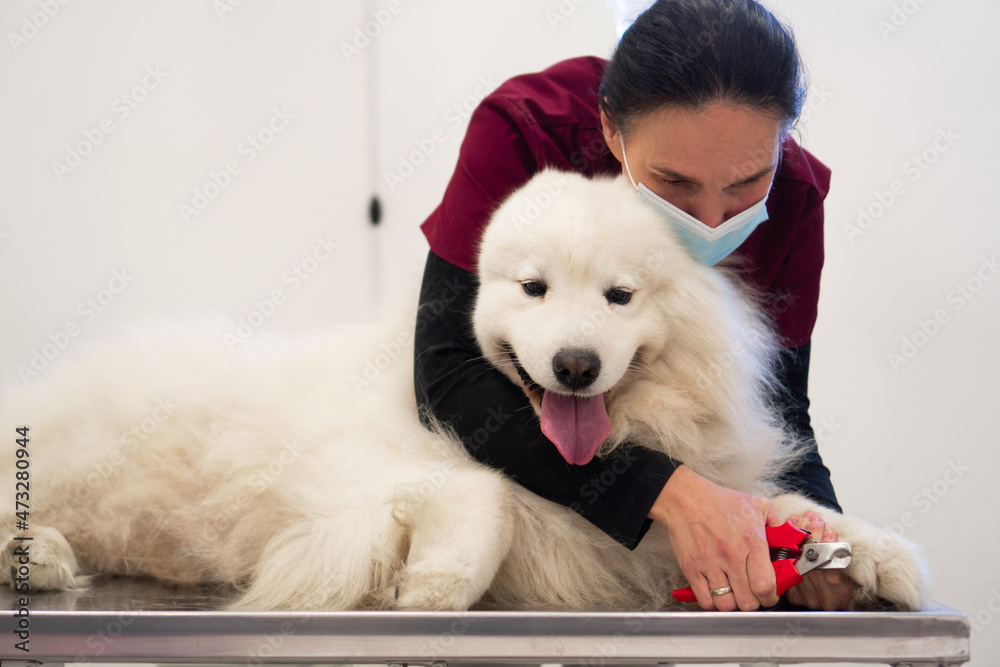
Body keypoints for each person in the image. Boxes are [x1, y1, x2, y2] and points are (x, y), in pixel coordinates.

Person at [414, 0, 849, 612]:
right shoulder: (524, 128)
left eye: (747, 182)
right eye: (674, 182)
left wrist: (822, 552)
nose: (711, 218)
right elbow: (446, 370)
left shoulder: (796, 195)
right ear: (611, 130)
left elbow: (780, 411)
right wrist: (668, 492)